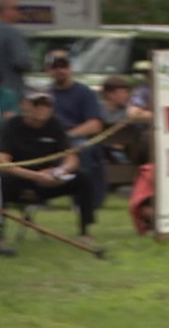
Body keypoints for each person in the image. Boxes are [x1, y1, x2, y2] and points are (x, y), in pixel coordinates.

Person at [0, 90, 99, 244]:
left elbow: (71, 158)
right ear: (24, 105)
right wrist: (35, 176)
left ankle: (85, 232)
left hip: (49, 180)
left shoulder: (55, 124)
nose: (42, 108)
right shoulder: (10, 126)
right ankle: (1, 237)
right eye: (36, 104)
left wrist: (59, 172)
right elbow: (4, 162)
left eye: (47, 104)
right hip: (19, 180)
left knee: (83, 177)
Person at [45, 50, 108, 210]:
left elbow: (95, 124)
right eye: (55, 67)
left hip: (76, 137)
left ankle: (81, 201)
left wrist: (69, 135)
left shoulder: (85, 93)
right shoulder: (45, 95)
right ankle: (37, 197)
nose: (60, 70)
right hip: (51, 139)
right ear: (48, 70)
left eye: (64, 66)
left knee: (82, 149)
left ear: (70, 68)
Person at [0, 0, 30, 96]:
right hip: (10, 92)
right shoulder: (12, 32)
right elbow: (21, 62)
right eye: (15, 8)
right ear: (4, 10)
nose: (19, 12)